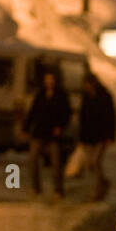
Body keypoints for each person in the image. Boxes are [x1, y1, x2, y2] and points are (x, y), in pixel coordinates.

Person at [24, 67, 71, 198]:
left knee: (56, 164)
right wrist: (26, 128)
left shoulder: (61, 95)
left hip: (53, 135)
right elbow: (33, 112)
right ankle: (36, 187)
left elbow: (66, 113)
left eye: (51, 79)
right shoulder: (40, 94)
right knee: (33, 160)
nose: (49, 82)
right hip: (39, 132)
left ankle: (58, 190)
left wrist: (60, 127)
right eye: (47, 80)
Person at [78, 72, 116, 201]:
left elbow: (111, 116)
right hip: (89, 136)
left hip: (101, 136)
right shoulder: (86, 97)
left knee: (95, 162)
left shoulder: (105, 96)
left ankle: (97, 191)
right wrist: (81, 137)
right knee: (90, 164)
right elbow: (82, 117)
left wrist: (111, 135)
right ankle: (103, 183)